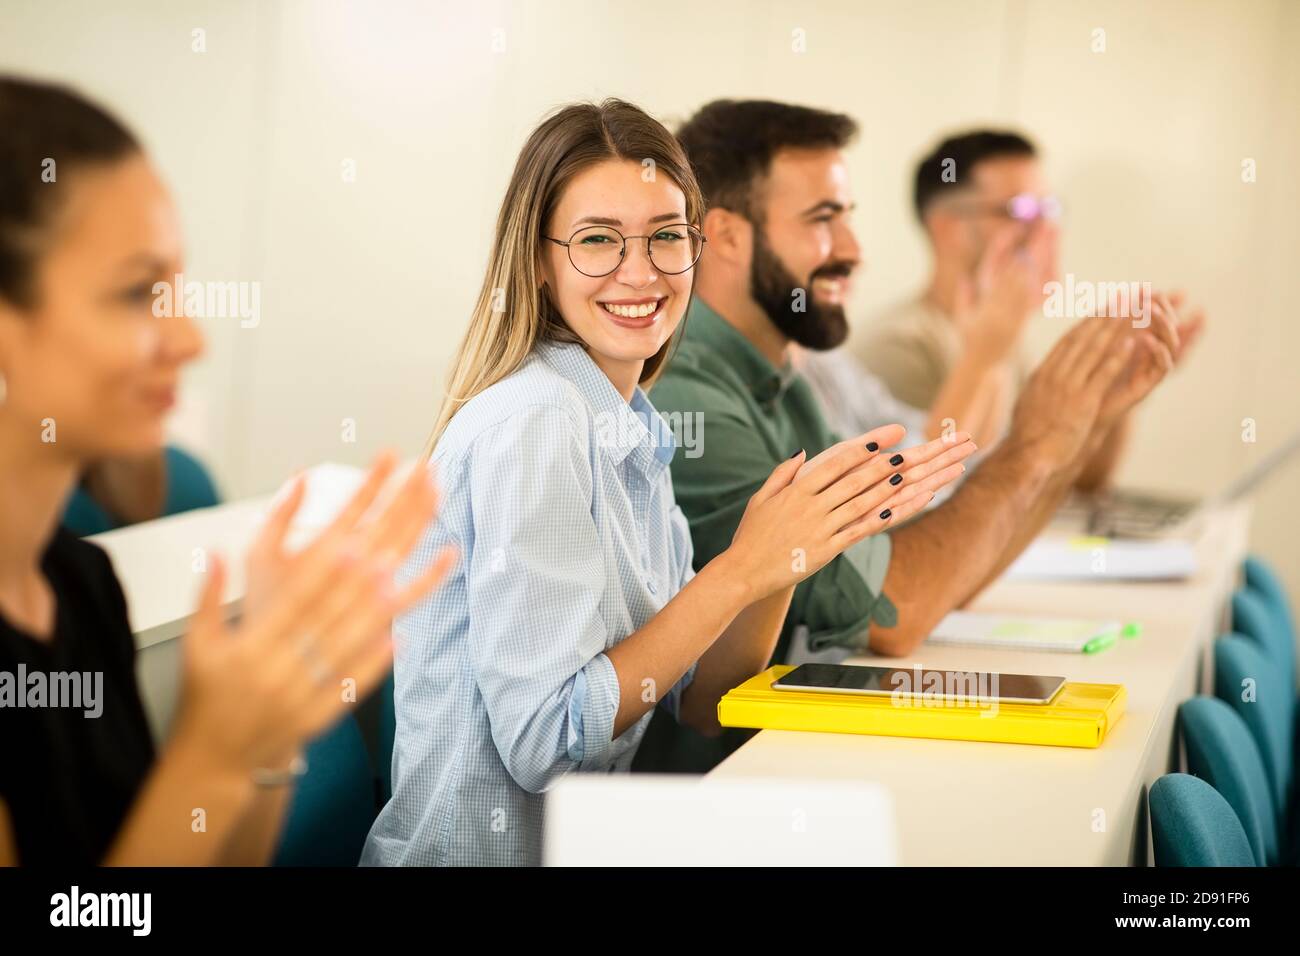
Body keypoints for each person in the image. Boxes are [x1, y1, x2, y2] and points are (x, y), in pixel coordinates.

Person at [361, 99, 974, 867]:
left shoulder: (632, 427)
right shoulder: (536, 426)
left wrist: (788, 555)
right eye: (597, 242)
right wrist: (737, 571)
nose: (641, 272)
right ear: (540, 263)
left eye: (665, 239)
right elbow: (545, 744)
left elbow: (702, 699)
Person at [633, 100, 1180, 773]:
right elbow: (901, 606)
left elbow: (945, 565)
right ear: (728, 236)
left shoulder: (784, 377)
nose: (855, 251)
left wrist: (1068, 434)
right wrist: (1038, 442)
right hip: (718, 796)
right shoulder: (688, 395)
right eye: (823, 220)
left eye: (849, 218)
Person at [0, 76, 452, 865]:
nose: (191, 341)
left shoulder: (80, 588)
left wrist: (263, 731)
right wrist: (208, 754)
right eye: (139, 292)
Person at [855, 128, 1203, 487]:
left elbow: (1077, 481)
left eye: (1048, 210)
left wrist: (1120, 389)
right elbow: (932, 505)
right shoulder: (899, 347)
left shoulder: (1010, 343)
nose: (1043, 232)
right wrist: (985, 358)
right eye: (1021, 210)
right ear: (947, 229)